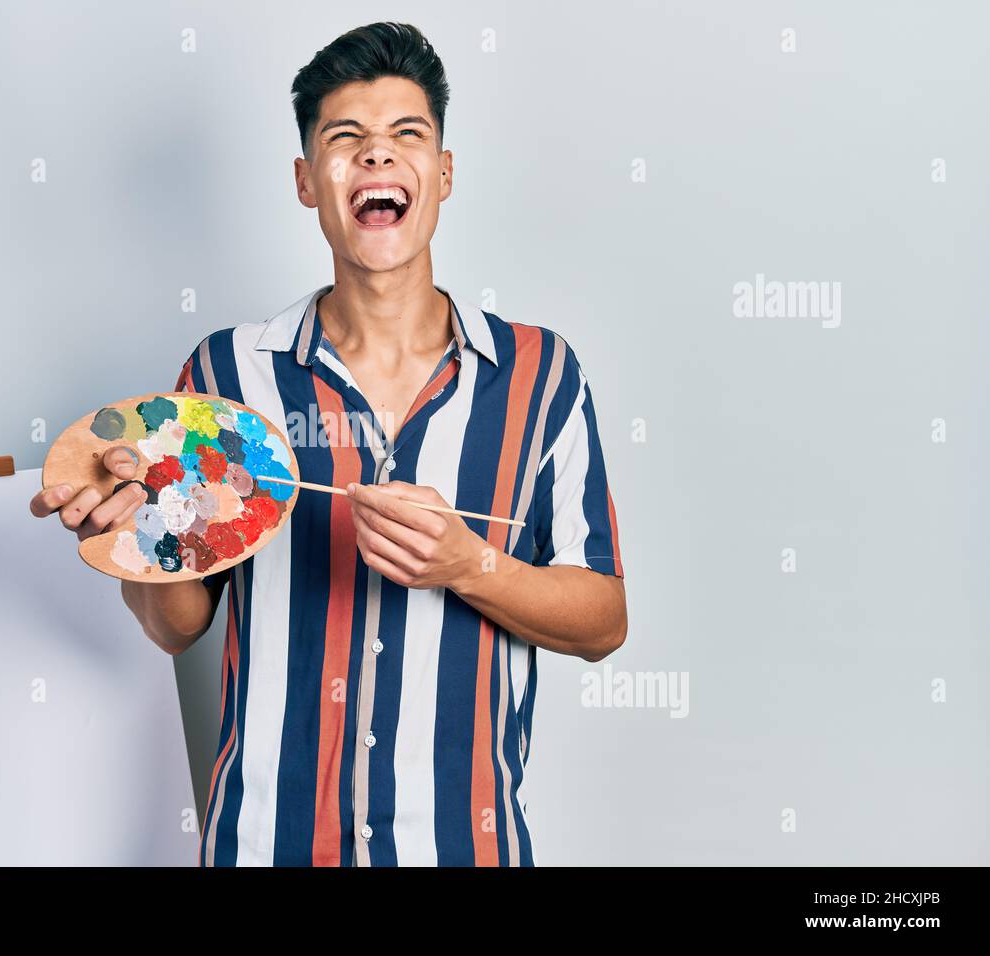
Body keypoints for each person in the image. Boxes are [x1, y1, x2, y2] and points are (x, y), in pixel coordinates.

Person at [30, 21, 626, 867]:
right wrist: (135, 546)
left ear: (444, 174)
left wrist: (469, 566)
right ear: (308, 181)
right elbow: (177, 629)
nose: (377, 158)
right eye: (346, 140)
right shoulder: (225, 373)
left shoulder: (542, 374)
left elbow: (603, 620)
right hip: (266, 846)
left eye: (406, 136)